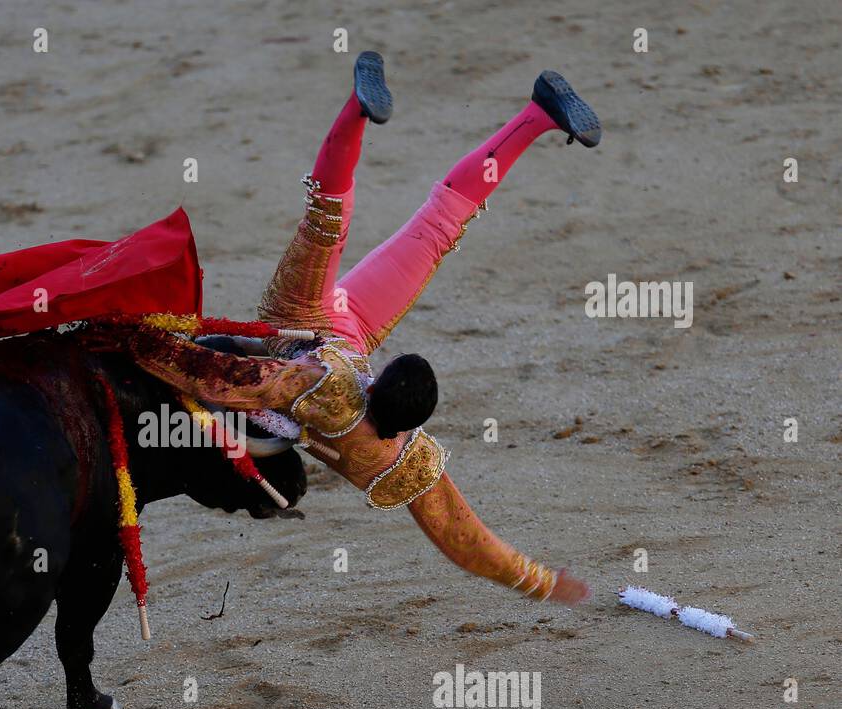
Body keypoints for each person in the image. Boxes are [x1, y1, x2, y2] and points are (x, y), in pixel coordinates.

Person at [93, 53, 598, 605]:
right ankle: (538, 113)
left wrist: (126, 336)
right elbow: (461, 537)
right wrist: (539, 581)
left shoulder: (323, 387)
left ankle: (364, 113)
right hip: (334, 335)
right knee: (428, 225)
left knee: (364, 219)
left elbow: (215, 371)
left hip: (308, 323)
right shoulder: (395, 454)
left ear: (378, 382)